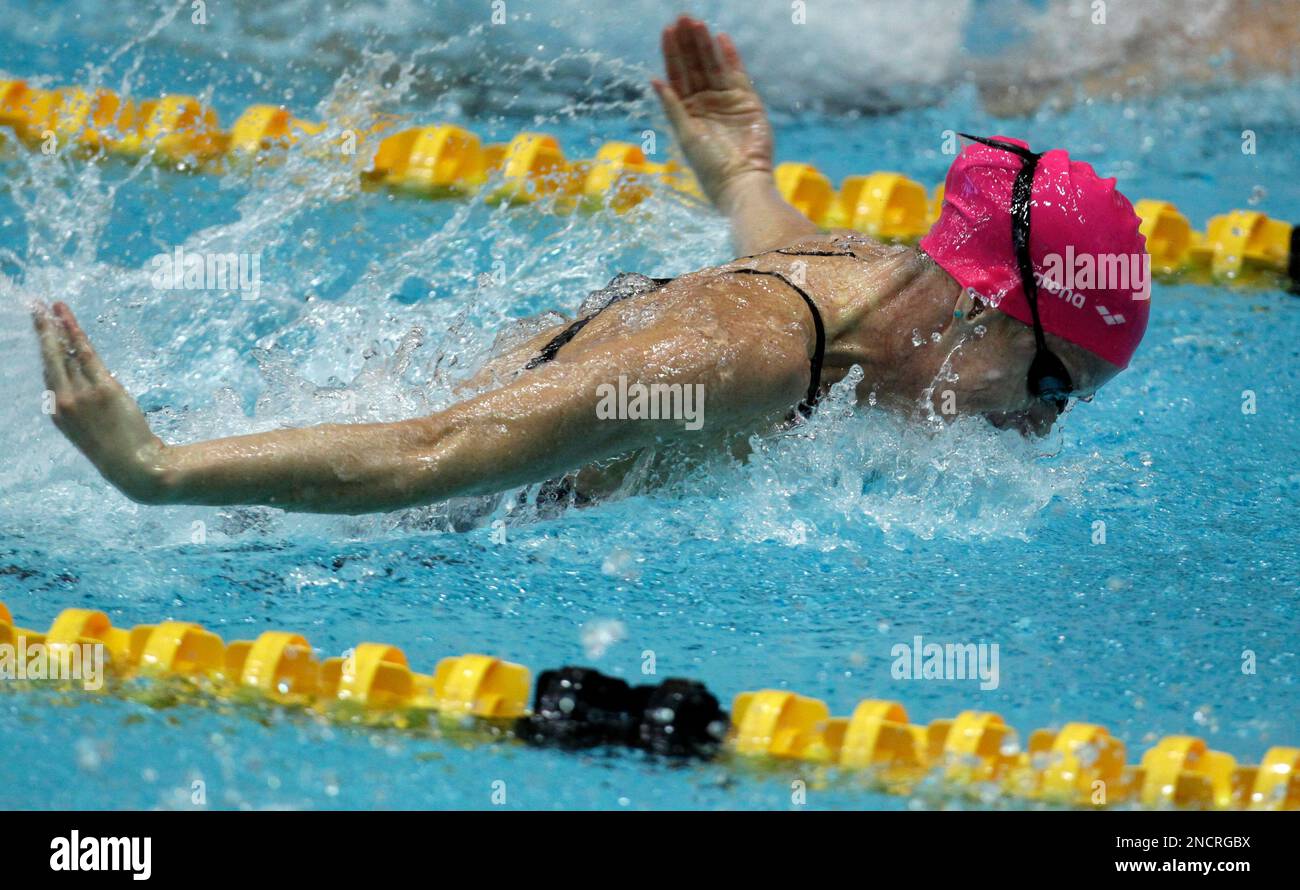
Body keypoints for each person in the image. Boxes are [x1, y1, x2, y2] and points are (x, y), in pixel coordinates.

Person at [30, 14, 1150, 516]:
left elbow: (775, 249)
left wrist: (740, 177)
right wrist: (160, 472)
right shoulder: (744, 356)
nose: (1041, 428)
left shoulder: (856, 284)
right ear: (969, 310)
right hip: (313, 517)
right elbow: (438, 452)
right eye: (1050, 384)